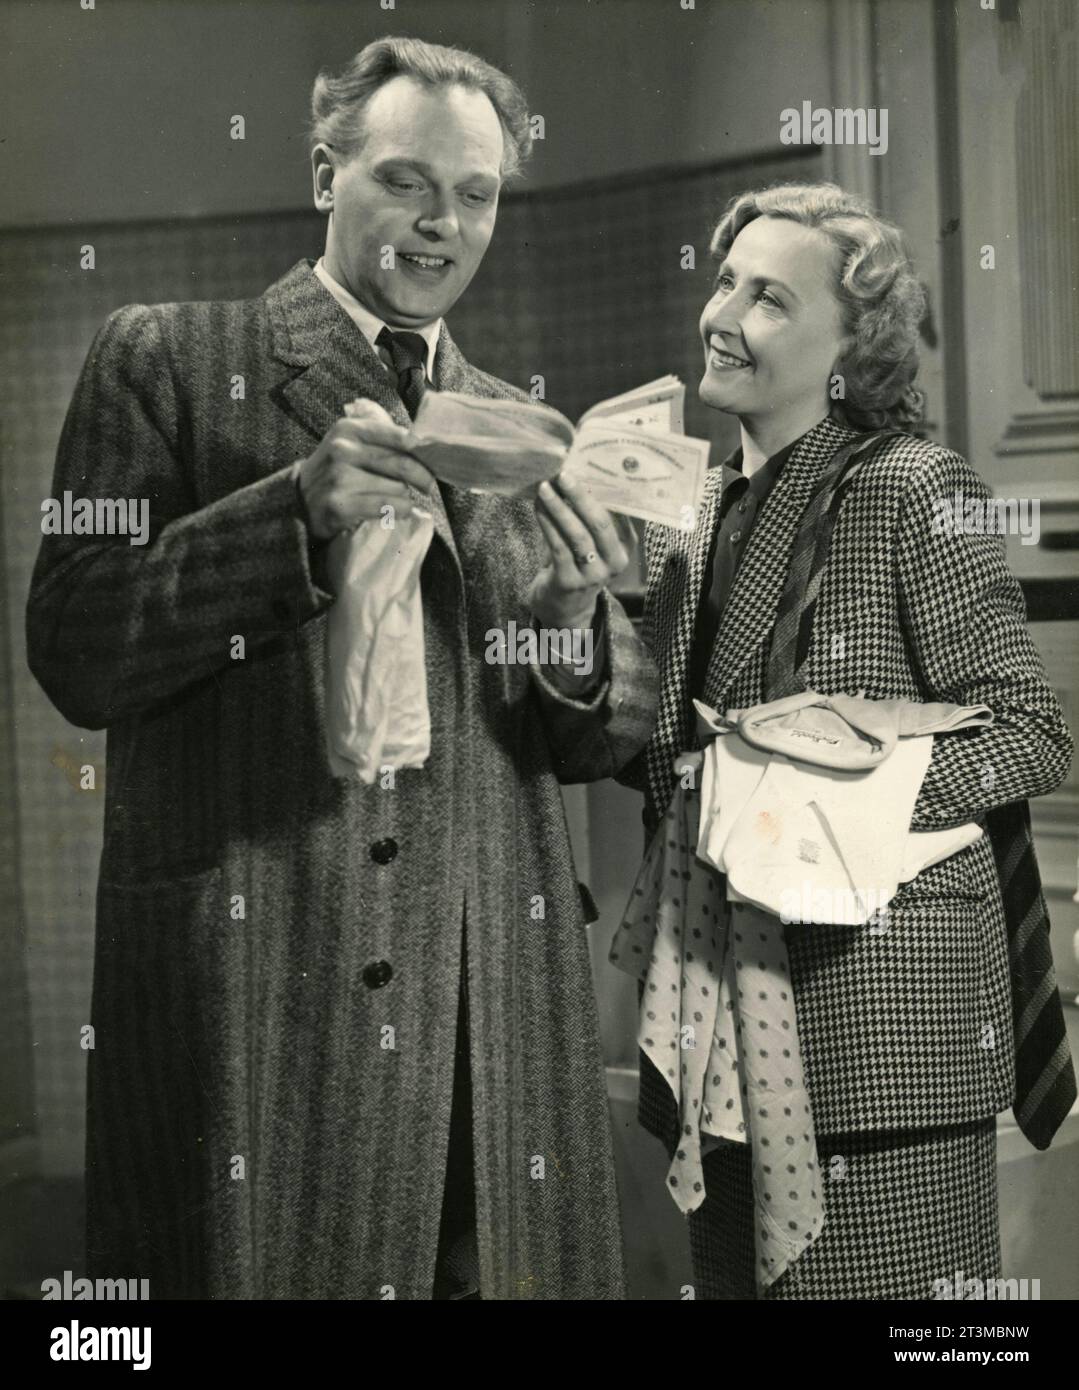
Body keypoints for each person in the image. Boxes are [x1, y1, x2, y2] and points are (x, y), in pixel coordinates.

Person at [25, 35, 657, 1301]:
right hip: (266, 992)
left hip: (491, 1009)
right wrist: (286, 517)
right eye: (406, 180)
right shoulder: (166, 358)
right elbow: (80, 650)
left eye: (474, 194)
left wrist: (583, 617)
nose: (442, 224)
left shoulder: (519, 429)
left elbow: (600, 744)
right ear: (324, 174)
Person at [595, 182, 1074, 1298]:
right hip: (723, 1030)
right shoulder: (698, 511)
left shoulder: (915, 485)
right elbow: (658, 757)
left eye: (768, 298)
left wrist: (814, 799)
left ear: (849, 349)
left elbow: (1029, 731)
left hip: (876, 1036)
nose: (723, 314)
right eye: (723, 282)